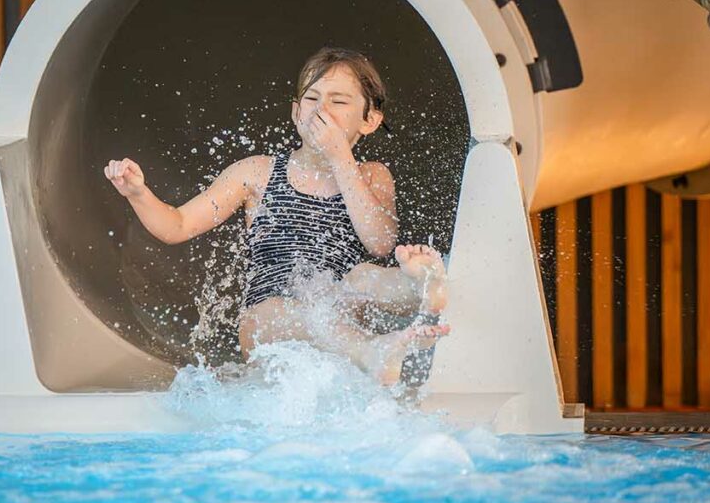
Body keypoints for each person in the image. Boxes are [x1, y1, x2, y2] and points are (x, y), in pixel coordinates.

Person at [103, 47, 451, 386]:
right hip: (270, 332)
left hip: (339, 316)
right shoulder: (256, 173)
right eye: (312, 99)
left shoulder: (371, 176)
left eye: (339, 101)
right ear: (296, 112)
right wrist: (138, 192)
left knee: (361, 277)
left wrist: (340, 157)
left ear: (370, 120)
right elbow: (176, 226)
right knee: (268, 313)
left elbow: (379, 243)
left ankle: (422, 287)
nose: (322, 111)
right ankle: (371, 350)